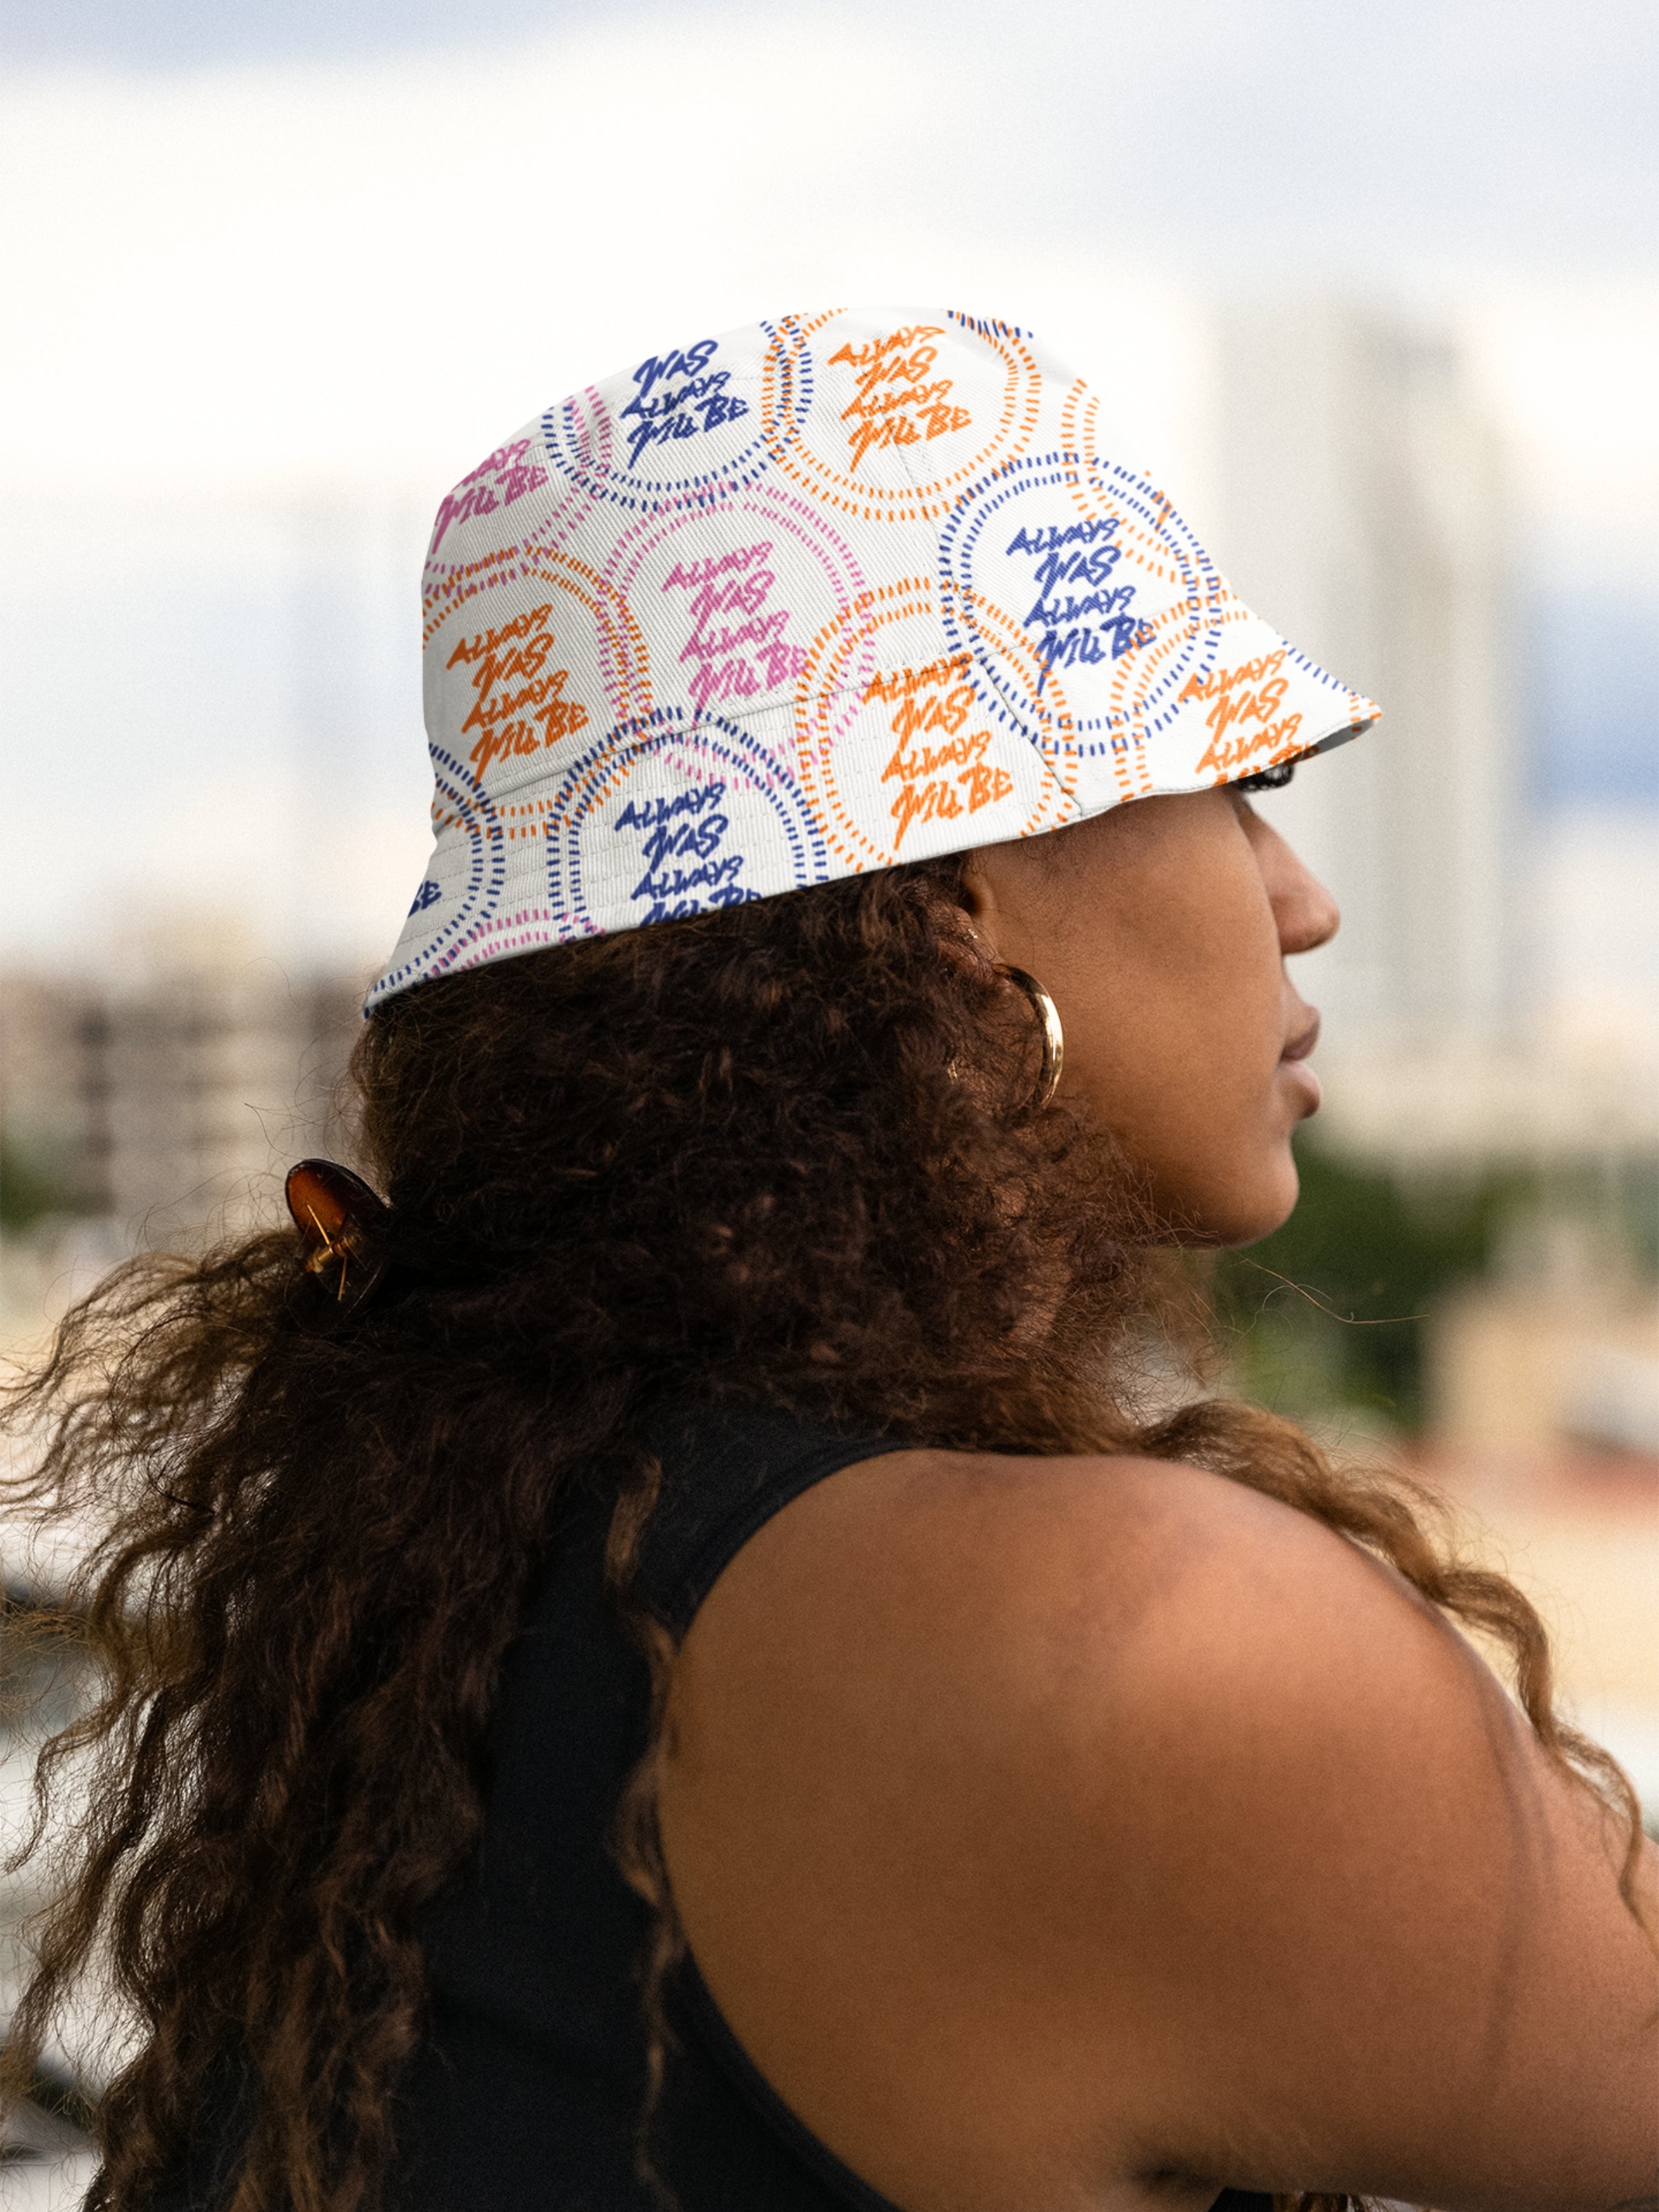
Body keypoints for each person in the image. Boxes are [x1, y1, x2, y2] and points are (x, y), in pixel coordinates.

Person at [3, 310, 1653, 2212]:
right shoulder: (1124, 1645)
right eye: (1234, 780)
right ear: (950, 902)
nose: (1305, 897)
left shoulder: (494, 1561)